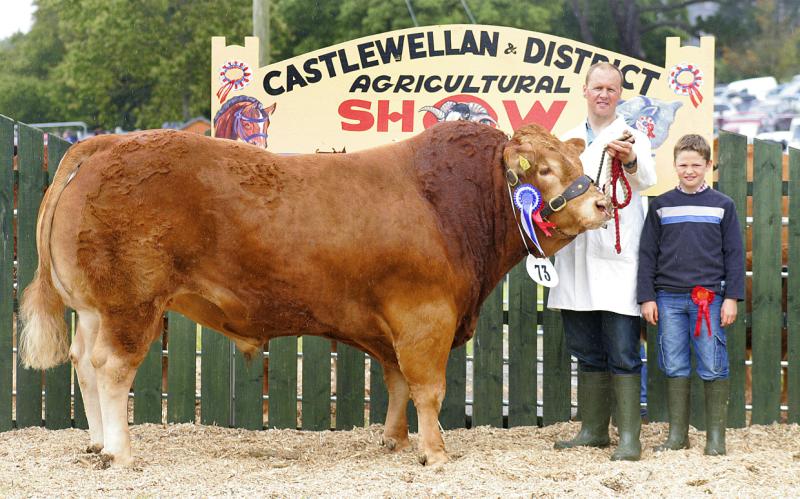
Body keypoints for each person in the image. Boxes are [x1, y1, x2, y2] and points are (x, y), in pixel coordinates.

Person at [548, 62, 656, 461]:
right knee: (586, 348)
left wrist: (629, 160)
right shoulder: (566, 140)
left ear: (620, 94)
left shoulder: (632, 137)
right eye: (598, 87)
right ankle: (593, 430)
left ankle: (629, 437)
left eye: (611, 89)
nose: (604, 94)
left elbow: (646, 179)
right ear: (585, 90)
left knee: (623, 350)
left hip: (617, 256)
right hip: (576, 254)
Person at [637, 134, 744, 456]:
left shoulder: (723, 205)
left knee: (713, 363)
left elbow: (734, 254)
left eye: (696, 165)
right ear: (674, 165)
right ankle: (677, 436)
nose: (689, 171)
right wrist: (647, 297)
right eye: (683, 165)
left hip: (709, 300)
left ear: (708, 165)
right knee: (674, 364)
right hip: (668, 299)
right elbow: (647, 254)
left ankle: (716, 439)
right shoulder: (661, 206)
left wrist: (731, 297)